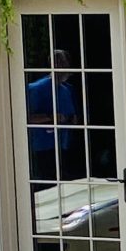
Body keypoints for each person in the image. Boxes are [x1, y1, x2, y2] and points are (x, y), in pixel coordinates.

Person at [24, 50, 78, 182]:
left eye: (66, 63)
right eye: (61, 63)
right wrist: (50, 117)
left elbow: (73, 117)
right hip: (42, 149)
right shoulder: (36, 89)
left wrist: (72, 119)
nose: (65, 67)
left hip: (64, 147)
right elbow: (25, 117)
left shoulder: (67, 89)